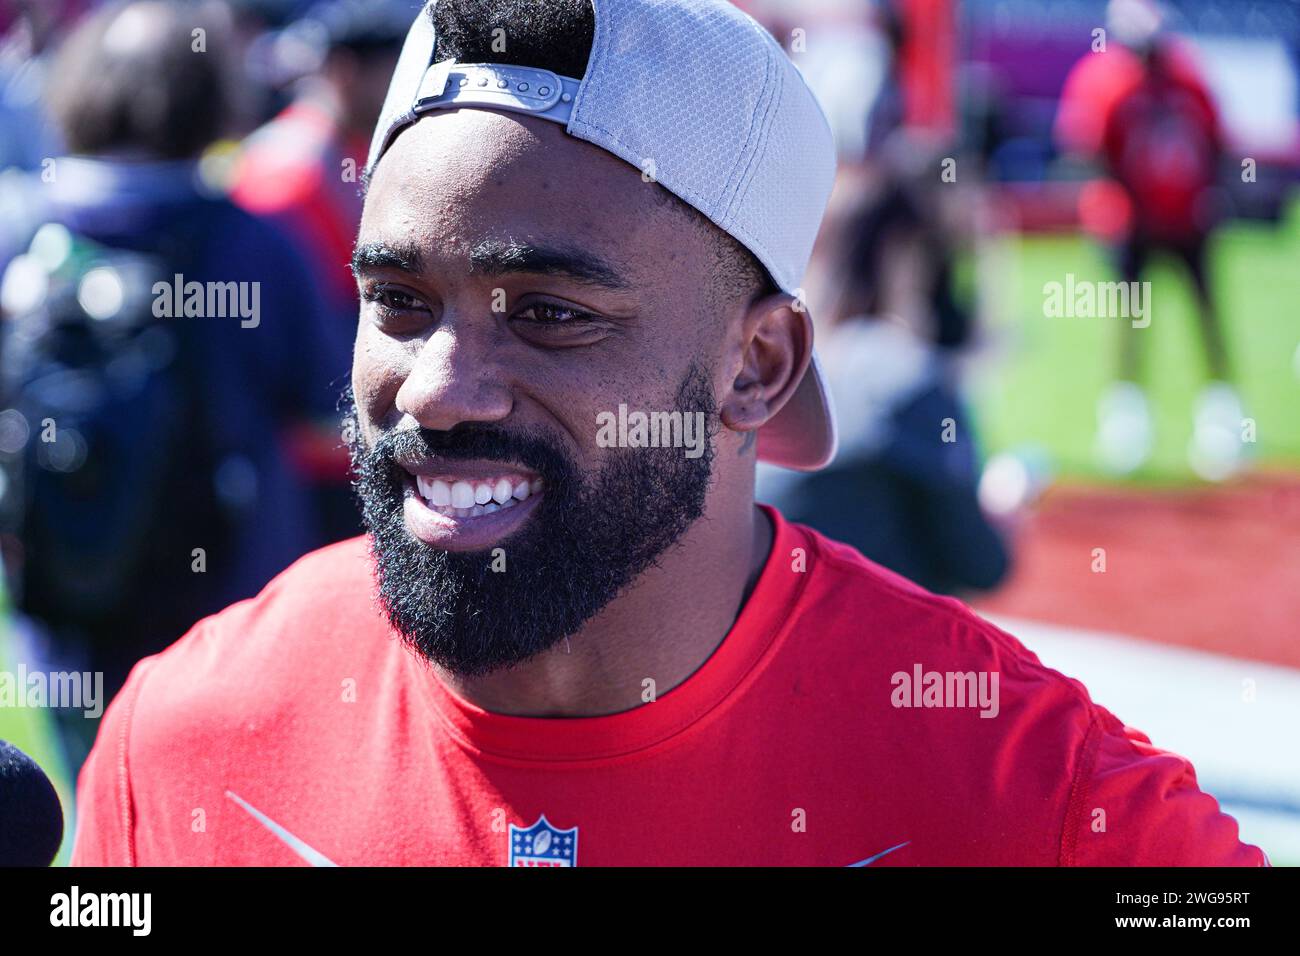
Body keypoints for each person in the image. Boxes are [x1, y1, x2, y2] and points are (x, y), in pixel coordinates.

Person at [72, 0, 1264, 867]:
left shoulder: (1038, 799)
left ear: (759, 365)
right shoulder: (185, 734)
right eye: (398, 302)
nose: (439, 388)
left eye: (549, 313)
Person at [0, 0, 347, 728]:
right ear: (214, 98)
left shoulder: (21, 231)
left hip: (64, 593)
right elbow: (328, 414)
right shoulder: (254, 241)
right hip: (227, 591)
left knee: (100, 815)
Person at [1056, 0, 1239, 480]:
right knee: (1129, 326)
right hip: (1131, 223)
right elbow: (1084, 149)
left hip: (1185, 219)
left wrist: (1207, 195)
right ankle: (1127, 425)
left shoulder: (1188, 78)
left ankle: (1222, 423)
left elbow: (1217, 141)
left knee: (1206, 320)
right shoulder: (1105, 81)